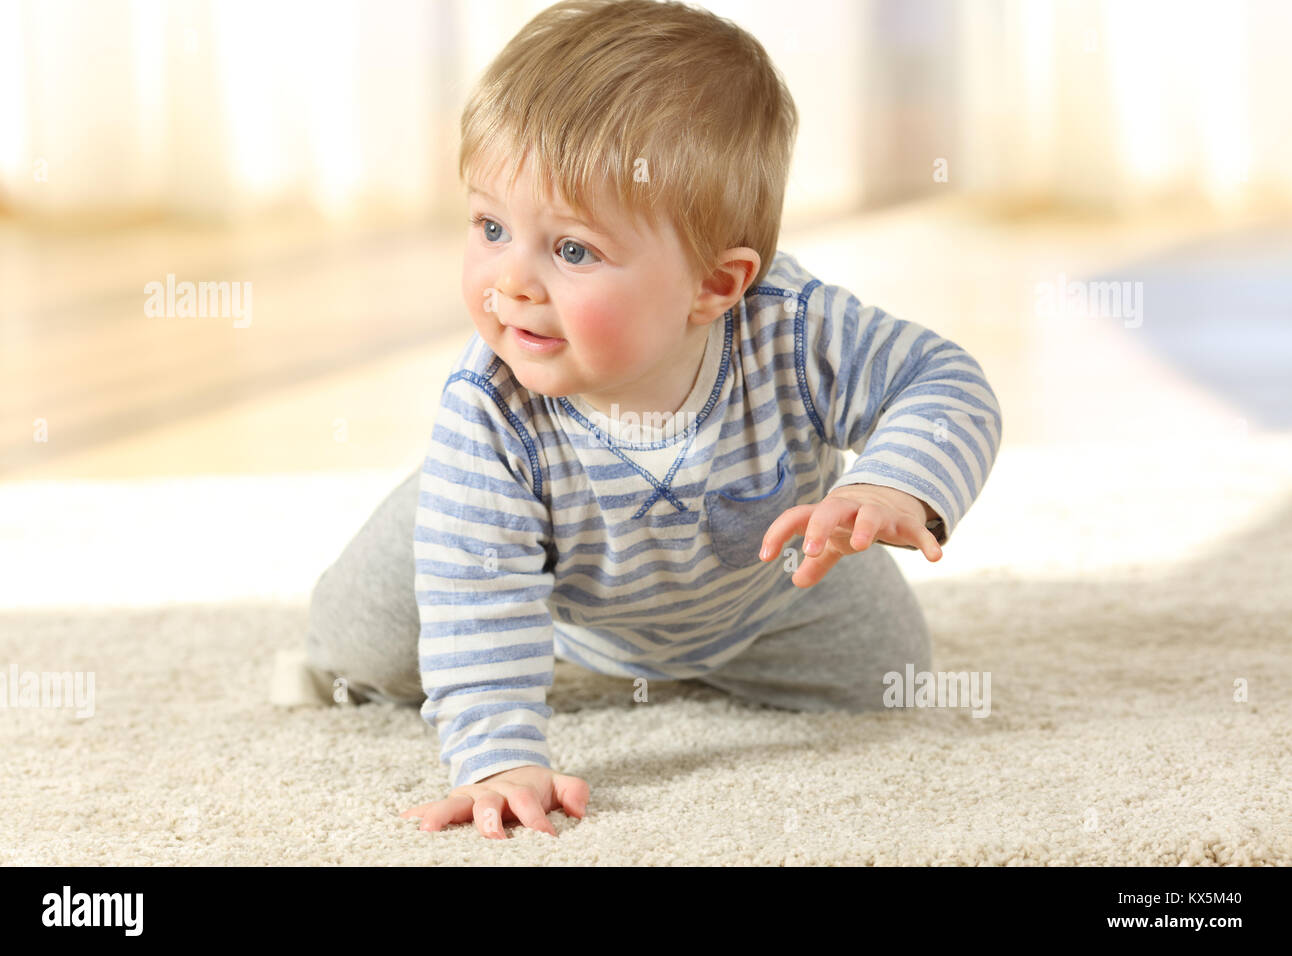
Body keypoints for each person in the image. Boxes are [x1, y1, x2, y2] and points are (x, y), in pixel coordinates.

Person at [282, 0, 1002, 840]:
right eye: (491, 227)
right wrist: (500, 760)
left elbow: (942, 379)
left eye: (573, 249)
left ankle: (711, 647)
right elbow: (477, 608)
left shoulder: (795, 330)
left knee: (893, 680)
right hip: (508, 545)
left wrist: (889, 483)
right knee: (359, 649)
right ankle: (442, 533)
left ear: (714, 287)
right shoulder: (491, 411)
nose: (510, 281)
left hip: (769, 597)